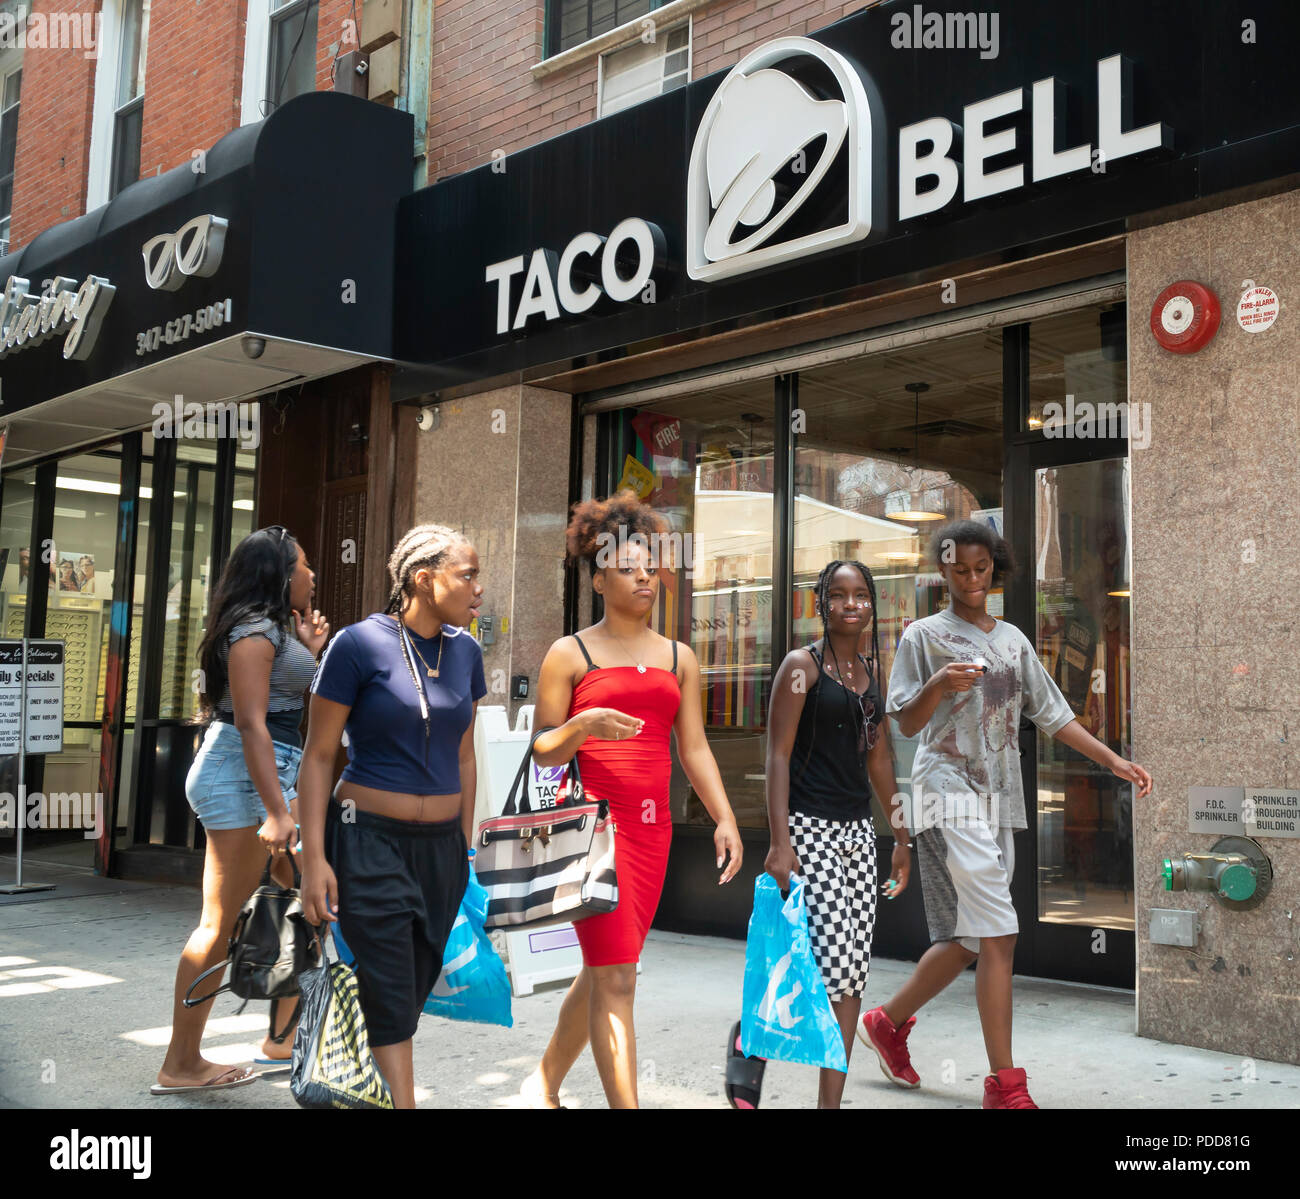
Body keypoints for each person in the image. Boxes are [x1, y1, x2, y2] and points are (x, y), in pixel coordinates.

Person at [859, 519, 1152, 1109]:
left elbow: (1053, 713)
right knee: (1001, 931)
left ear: (997, 568)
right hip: (946, 792)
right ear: (942, 570)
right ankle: (1005, 1086)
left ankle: (886, 1024)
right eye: (959, 569)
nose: (971, 580)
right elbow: (905, 723)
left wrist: (1112, 760)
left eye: (982, 568)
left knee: (971, 939)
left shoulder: (1014, 641)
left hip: (1000, 798)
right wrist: (939, 684)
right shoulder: (923, 637)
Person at [521, 491, 744, 1109]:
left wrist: (724, 816)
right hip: (592, 834)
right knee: (617, 976)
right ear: (598, 578)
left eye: (651, 564)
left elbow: (693, 748)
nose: (645, 575)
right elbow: (542, 749)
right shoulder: (570, 653)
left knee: (605, 970)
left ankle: (541, 1084)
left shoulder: (680, 657)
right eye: (628, 566)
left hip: (653, 833)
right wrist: (583, 725)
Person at [299, 525, 485, 1110]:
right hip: (368, 839)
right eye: (468, 575)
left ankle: (375, 1092)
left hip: (440, 851)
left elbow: (464, 754)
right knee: (387, 978)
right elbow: (319, 755)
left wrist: (463, 847)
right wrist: (313, 860)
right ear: (423, 579)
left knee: (409, 987)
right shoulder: (358, 645)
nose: (479, 589)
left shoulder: (467, 652)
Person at [725, 559, 912, 1110]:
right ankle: (749, 1040)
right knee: (825, 967)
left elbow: (879, 760)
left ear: (873, 605)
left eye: (861, 595)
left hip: (857, 835)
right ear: (821, 603)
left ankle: (828, 1105)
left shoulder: (872, 673)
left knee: (852, 973)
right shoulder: (800, 666)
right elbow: (777, 756)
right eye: (839, 595)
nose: (851, 604)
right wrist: (780, 843)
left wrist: (901, 837)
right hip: (810, 830)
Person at [154, 525, 328, 1094]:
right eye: (303, 565)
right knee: (219, 923)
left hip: (271, 768)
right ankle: (181, 1063)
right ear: (279, 575)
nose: (311, 574)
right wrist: (277, 812)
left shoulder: (277, 629)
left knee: (306, 897)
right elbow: (252, 722)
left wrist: (311, 651)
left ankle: (282, 1037)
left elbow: (283, 702)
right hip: (242, 772)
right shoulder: (253, 632)